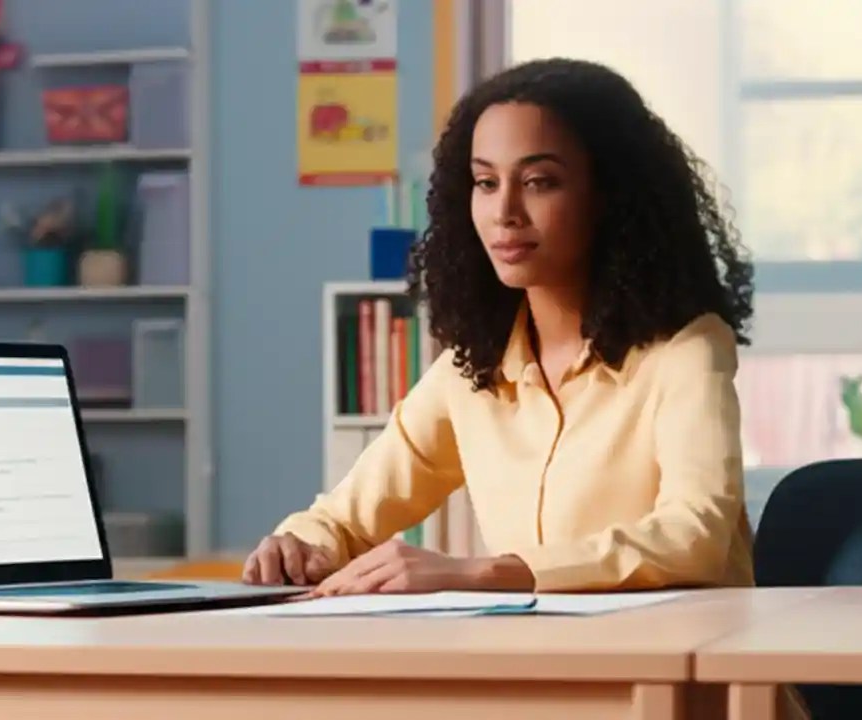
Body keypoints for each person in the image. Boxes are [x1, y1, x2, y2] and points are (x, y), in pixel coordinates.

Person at [244, 57, 762, 602]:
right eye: (486, 182)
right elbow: (346, 520)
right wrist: (299, 544)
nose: (505, 212)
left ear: (610, 195)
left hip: (685, 669)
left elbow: (694, 535)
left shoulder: (687, 349)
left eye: (539, 181)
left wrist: (482, 574)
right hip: (546, 674)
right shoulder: (473, 370)